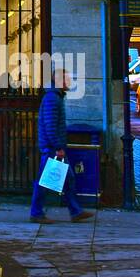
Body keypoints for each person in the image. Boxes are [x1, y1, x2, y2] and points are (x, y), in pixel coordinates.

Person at [30, 70, 92, 223]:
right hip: (52, 148)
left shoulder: (55, 96)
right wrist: (58, 147)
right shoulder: (52, 98)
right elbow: (50, 125)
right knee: (44, 182)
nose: (69, 82)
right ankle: (36, 213)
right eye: (66, 79)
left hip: (54, 147)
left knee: (67, 179)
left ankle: (75, 211)